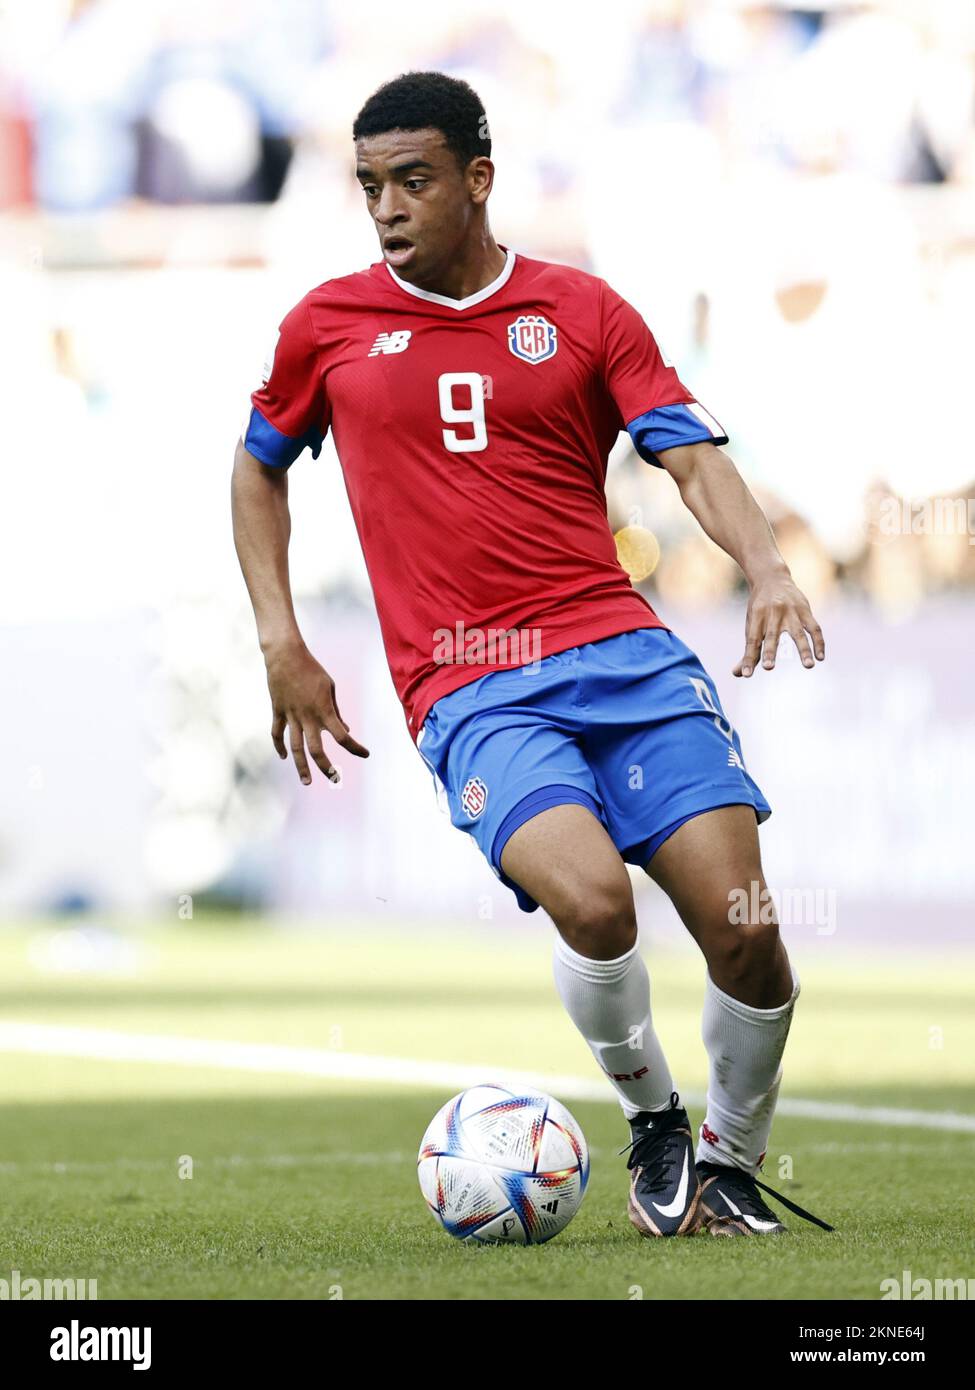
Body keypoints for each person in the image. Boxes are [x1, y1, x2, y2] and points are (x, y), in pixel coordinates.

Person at [232, 71, 830, 1238]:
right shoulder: (328, 325)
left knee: (749, 929)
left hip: (625, 659)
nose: (388, 208)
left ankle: (729, 1164)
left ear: (479, 179)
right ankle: (655, 1113)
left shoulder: (586, 311)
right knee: (597, 903)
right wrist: (281, 636)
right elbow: (256, 467)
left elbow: (691, 455)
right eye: (370, 187)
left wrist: (766, 565)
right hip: (470, 682)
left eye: (413, 180)